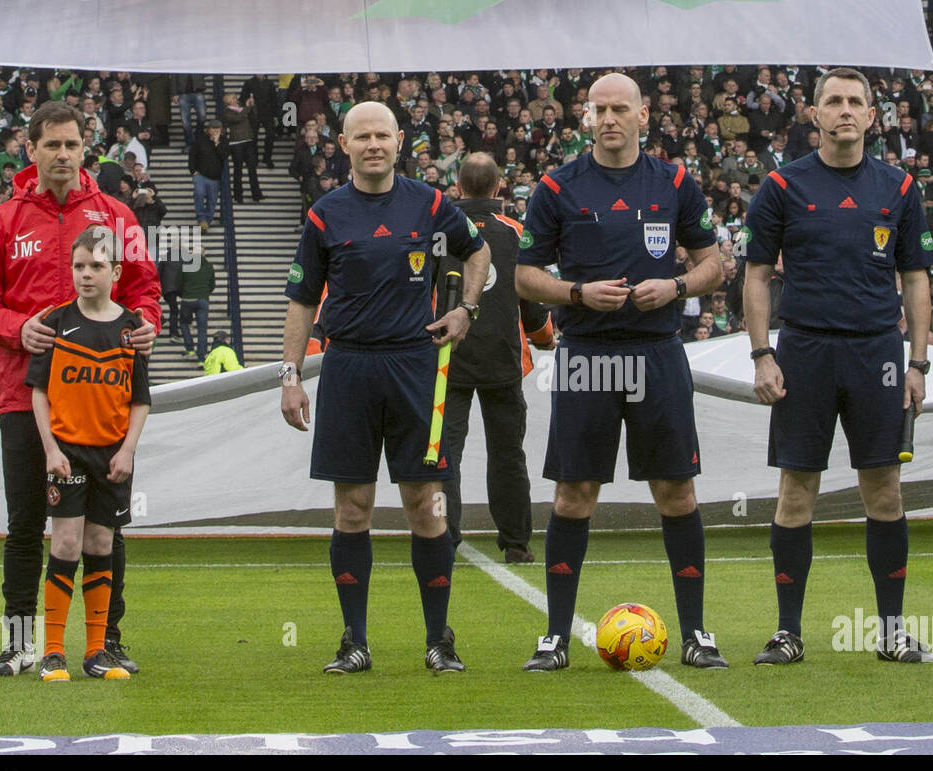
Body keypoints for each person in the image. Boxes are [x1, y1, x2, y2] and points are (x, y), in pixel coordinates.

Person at [514, 72, 726, 672]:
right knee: (574, 494)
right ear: (586, 119)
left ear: (642, 117)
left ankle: (697, 634)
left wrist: (677, 286)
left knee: (676, 491)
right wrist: (577, 293)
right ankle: (555, 637)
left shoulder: (674, 180)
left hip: (658, 353)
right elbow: (525, 274)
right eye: (598, 109)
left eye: (619, 109)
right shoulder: (558, 186)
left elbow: (714, 262)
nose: (609, 119)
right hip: (586, 356)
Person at [280, 102, 490, 675]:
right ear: (342, 144)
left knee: (426, 505)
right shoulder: (325, 214)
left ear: (399, 140)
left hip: (414, 368)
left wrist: (467, 308)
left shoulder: (429, 203)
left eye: (382, 135)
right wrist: (291, 376)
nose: (373, 144)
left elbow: (478, 250)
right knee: (352, 508)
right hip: (347, 368)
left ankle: (439, 640)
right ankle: (354, 641)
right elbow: (301, 301)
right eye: (361, 136)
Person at [743, 67, 933, 666]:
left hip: (876, 352)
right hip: (803, 351)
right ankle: (787, 633)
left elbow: (915, 278)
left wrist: (919, 363)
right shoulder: (781, 185)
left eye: (856, 101)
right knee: (796, 489)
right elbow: (756, 274)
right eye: (834, 101)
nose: (845, 110)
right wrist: (762, 354)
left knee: (883, 489)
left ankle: (890, 631)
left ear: (873, 116)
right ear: (815, 114)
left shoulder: (900, 188)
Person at [0, 101, 160, 677]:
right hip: (25, 396)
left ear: (85, 148)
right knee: (26, 522)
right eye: (51, 145)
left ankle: (108, 640)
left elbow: (145, 288)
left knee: (105, 526)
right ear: (31, 150)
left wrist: (145, 321)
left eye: (72, 144)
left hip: (102, 398)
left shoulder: (116, 216)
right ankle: (22, 643)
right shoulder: (4, 220)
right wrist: (15, 328)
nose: (62, 155)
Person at [25, 227, 151, 681]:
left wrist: (128, 452)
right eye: (79, 266)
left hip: (111, 457)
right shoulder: (56, 323)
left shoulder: (133, 329)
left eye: (96, 266)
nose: (86, 274)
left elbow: (140, 399)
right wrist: (51, 450)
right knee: (64, 544)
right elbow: (39, 394)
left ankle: (96, 652)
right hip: (68, 455)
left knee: (101, 545)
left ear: (115, 272)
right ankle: (53, 653)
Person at [435, 152, 553, 561]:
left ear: (459, 189)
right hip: (503, 360)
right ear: (499, 188)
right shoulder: (516, 233)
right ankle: (517, 543)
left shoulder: (437, 231)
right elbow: (533, 298)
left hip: (447, 361)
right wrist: (543, 338)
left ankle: (444, 540)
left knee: (445, 453)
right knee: (508, 454)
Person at [179, 246, 215, 362]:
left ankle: (190, 348)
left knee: (184, 323)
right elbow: (212, 284)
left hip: (187, 299)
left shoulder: (185, 265)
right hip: (202, 300)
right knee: (202, 329)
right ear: (204, 254)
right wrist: (205, 293)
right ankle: (202, 356)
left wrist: (183, 294)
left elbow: (178, 282)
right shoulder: (209, 266)